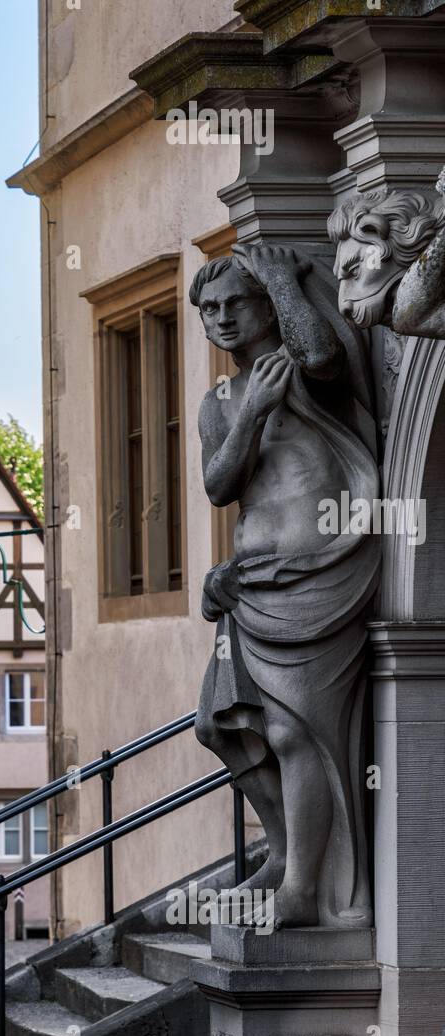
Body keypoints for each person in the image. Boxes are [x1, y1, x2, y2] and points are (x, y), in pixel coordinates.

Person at [191, 244, 380, 928]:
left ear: (265, 306)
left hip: (320, 573)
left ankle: (306, 887)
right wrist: (247, 415)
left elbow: (327, 359)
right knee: (220, 727)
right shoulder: (221, 401)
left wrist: (279, 276)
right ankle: (282, 850)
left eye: (234, 303)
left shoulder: (302, 365)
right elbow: (220, 487)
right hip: (249, 587)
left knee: (296, 733)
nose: (221, 319)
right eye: (209, 310)